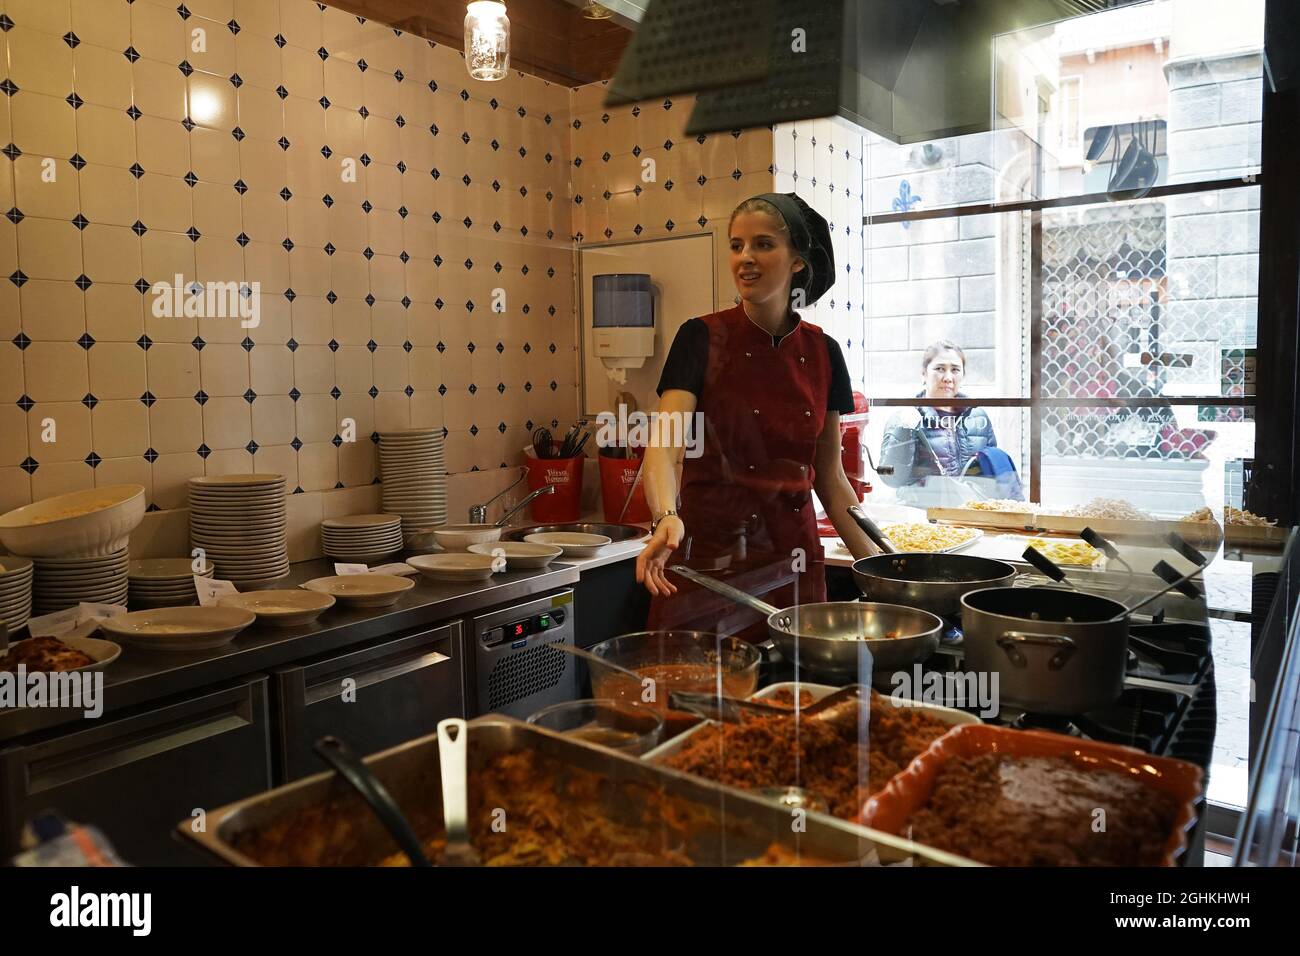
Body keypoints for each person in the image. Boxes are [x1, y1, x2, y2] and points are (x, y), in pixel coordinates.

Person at [634, 193, 879, 629]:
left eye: (763, 244)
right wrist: (665, 516)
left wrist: (880, 568)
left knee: (793, 691)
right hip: (708, 559)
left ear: (798, 262)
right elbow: (665, 446)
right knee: (695, 689)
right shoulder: (699, 338)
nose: (745, 258)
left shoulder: (825, 352)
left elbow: (830, 476)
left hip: (792, 561)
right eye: (736, 245)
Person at [878, 342, 1016, 504]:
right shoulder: (904, 417)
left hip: (968, 512)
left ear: (963, 376)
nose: (948, 378)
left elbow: (988, 469)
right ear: (923, 373)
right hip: (921, 514)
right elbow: (889, 478)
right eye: (940, 369)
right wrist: (903, 429)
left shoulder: (978, 416)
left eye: (955, 370)